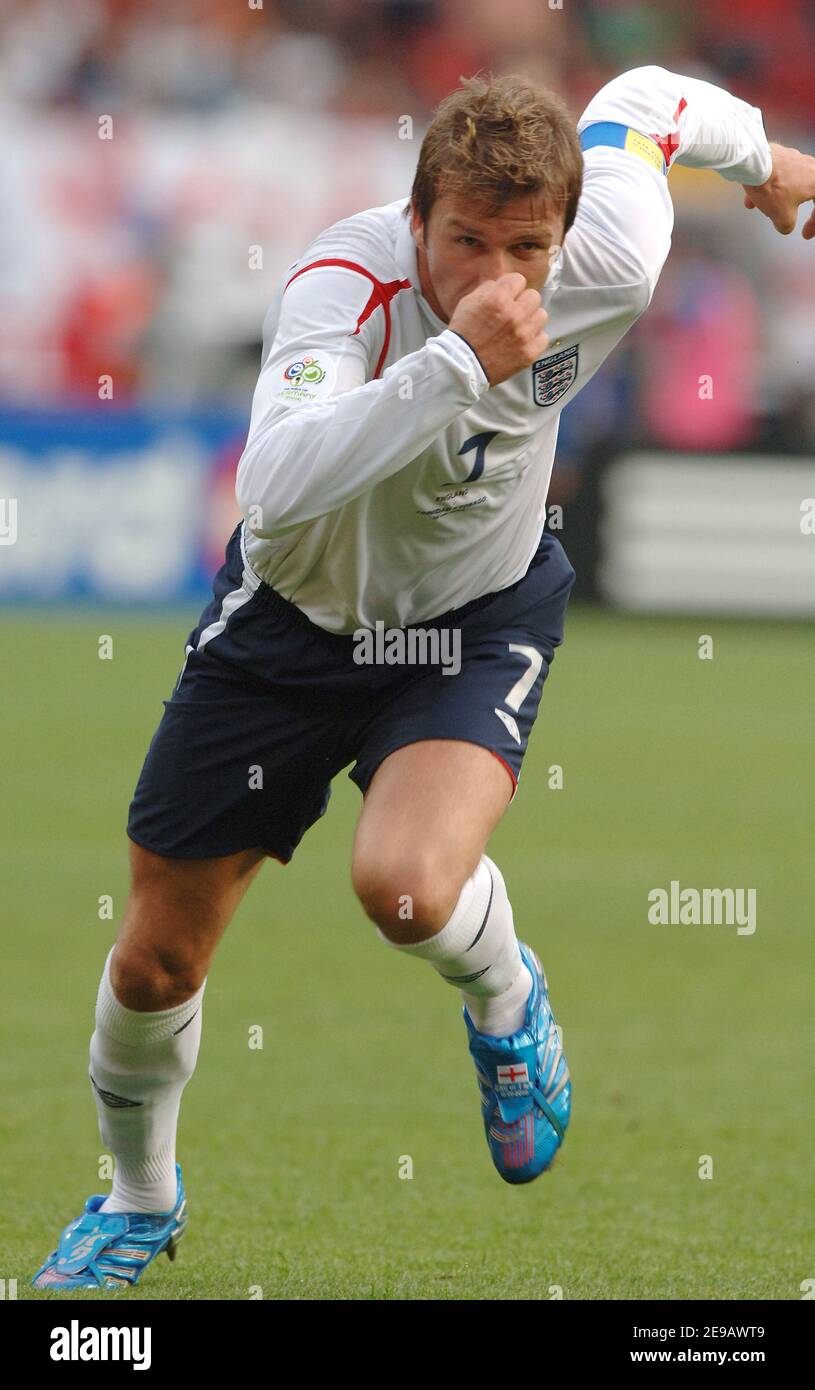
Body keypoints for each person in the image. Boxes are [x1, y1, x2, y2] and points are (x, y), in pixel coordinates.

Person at [33, 64, 815, 1290]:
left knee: (402, 887)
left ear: (563, 232)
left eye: (523, 245)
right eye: (462, 240)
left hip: (473, 614)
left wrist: (765, 169)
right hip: (289, 627)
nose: (496, 274)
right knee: (154, 965)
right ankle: (139, 1198)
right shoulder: (344, 284)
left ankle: (507, 1002)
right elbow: (273, 483)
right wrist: (452, 362)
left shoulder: (607, 255)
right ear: (415, 221)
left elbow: (650, 101)